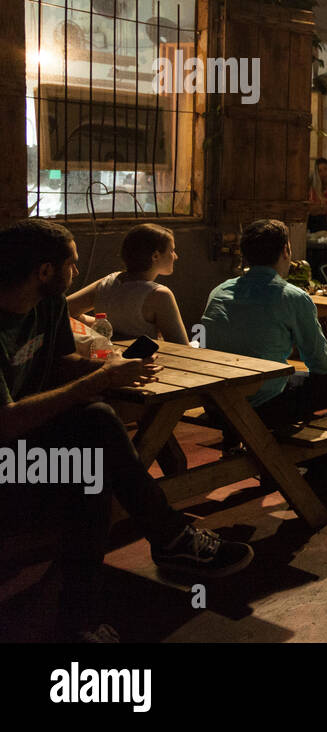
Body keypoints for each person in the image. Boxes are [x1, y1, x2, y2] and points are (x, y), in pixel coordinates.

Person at [0, 219, 253, 642]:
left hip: (29, 444)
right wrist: (95, 382)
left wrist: (110, 370)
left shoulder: (49, 304)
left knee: (94, 449)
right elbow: (5, 420)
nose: (76, 273)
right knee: (92, 448)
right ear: (44, 270)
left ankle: (82, 619)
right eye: (71, 264)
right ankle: (168, 543)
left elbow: (64, 362)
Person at [199, 219, 327, 488]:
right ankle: (322, 469)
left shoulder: (219, 291)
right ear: (286, 251)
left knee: (271, 374)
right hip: (264, 407)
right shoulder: (292, 297)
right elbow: (321, 366)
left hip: (218, 403)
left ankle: (241, 447)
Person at [65, 223, 188, 343]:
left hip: (106, 355)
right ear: (155, 256)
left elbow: (66, 309)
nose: (175, 256)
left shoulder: (107, 283)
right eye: (172, 250)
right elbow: (181, 347)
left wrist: (106, 327)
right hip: (145, 361)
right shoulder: (159, 294)